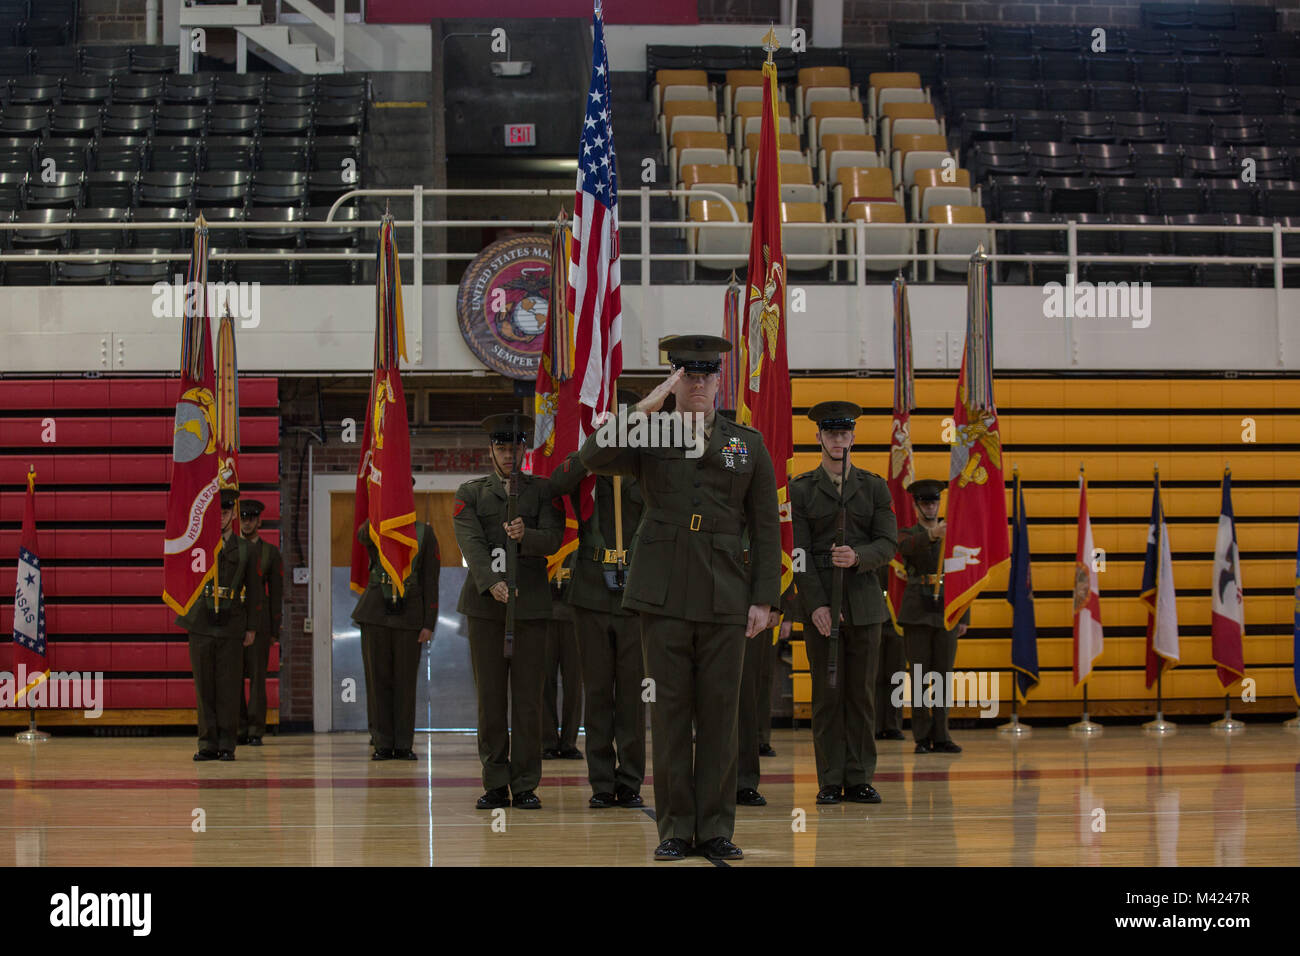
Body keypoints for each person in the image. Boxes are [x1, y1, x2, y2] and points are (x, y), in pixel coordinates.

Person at [580, 335, 780, 862]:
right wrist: (649, 400)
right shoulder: (650, 433)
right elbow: (591, 454)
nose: (697, 385)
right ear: (675, 382)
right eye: (686, 377)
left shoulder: (747, 443)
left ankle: (714, 828)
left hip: (724, 592)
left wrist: (764, 599)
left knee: (719, 715)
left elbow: (765, 529)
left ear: (719, 381)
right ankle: (674, 827)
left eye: (705, 376)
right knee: (669, 715)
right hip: (662, 589)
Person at [454, 414, 564, 810]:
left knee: (529, 700)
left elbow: (555, 537)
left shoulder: (543, 491)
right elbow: (470, 541)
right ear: (491, 451)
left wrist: (527, 536)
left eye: (515, 447)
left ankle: (526, 784)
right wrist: (489, 580)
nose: (508, 454)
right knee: (491, 699)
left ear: (524, 450)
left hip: (531, 607)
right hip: (486, 609)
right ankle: (496, 782)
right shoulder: (472, 493)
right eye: (501, 447)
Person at [789, 401, 897, 805]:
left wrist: (859, 557)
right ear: (818, 437)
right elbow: (797, 553)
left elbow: (888, 543)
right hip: (820, 608)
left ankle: (860, 776)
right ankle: (830, 779)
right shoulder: (801, 489)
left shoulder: (874, 486)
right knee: (827, 697)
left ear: (853, 437)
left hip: (865, 606)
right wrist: (815, 604)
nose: (837, 439)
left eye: (844, 433)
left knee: (862, 696)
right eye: (830, 433)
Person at [548, 434, 647, 810]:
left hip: (635, 594)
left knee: (633, 695)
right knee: (599, 692)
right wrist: (589, 453)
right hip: (590, 593)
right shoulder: (587, 472)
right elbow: (556, 483)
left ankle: (630, 780)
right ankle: (602, 782)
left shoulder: (644, 470)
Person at [351, 481, 439, 762]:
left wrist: (429, 622)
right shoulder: (376, 528)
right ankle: (382, 742)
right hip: (375, 612)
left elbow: (430, 581)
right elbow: (361, 535)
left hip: (410, 614)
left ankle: (403, 743)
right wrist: (378, 507)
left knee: (404, 682)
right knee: (378, 680)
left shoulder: (425, 534)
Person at [176, 488, 261, 762]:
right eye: (217, 513)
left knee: (228, 686)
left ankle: (227, 744)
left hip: (231, 623)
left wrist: (251, 627)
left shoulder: (246, 549)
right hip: (201, 621)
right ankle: (206, 744)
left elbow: (256, 591)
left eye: (225, 512)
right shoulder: (197, 545)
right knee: (205, 687)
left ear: (232, 515)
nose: (221, 517)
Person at [897, 478, 968, 754]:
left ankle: (942, 735)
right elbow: (905, 548)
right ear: (916, 506)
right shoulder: (909, 532)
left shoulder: (954, 534)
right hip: (917, 609)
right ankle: (921, 737)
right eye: (925, 502)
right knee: (919, 677)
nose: (931, 506)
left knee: (943, 676)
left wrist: (964, 615)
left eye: (935, 501)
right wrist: (932, 535)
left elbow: (962, 575)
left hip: (947, 609)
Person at [237, 498, 282, 747]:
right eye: (243, 518)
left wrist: (275, 628)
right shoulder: (230, 548)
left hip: (261, 620)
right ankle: (238, 727)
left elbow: (276, 593)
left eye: (251, 518)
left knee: (256, 678)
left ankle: (255, 728)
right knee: (233, 678)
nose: (247, 522)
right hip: (235, 618)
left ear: (259, 521)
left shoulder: (270, 553)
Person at [541, 571, 583, 761]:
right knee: (544, 683)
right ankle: (547, 742)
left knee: (574, 684)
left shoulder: (577, 542)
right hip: (545, 614)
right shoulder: (544, 540)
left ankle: (569, 743)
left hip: (574, 616)